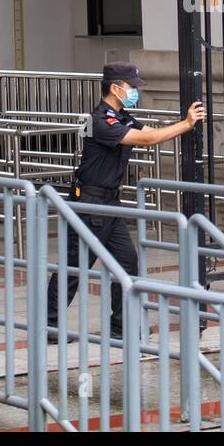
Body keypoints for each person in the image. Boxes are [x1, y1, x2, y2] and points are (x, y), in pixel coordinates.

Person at [45, 61, 205, 343]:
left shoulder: (122, 116)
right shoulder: (100, 120)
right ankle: (50, 327)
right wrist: (187, 123)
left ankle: (121, 326)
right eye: (132, 87)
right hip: (90, 204)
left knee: (126, 262)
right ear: (116, 88)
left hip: (109, 203)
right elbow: (147, 139)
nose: (135, 91)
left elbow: (152, 131)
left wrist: (183, 122)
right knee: (75, 266)